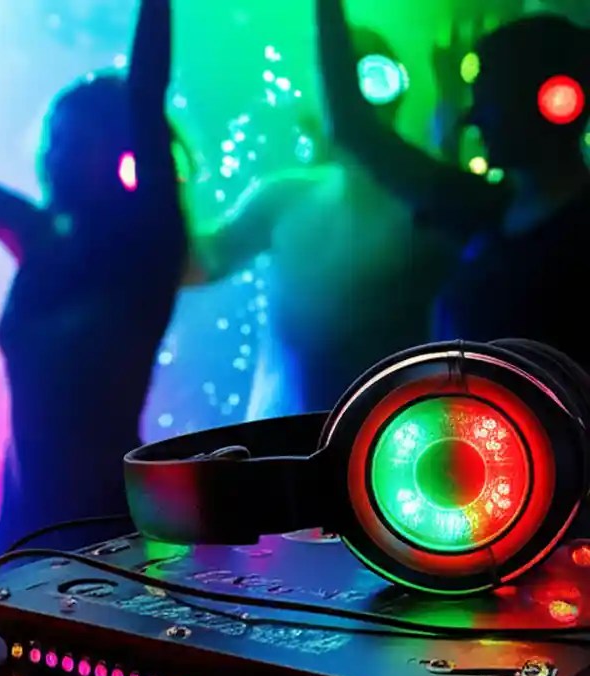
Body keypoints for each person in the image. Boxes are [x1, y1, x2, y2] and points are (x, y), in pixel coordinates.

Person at [0, 0, 189, 587]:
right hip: (20, 524)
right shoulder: (40, 238)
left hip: (101, 535)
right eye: (54, 140)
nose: (56, 156)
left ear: (123, 150)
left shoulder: (148, 246)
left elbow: (145, 95)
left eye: (77, 142)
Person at [191, 29, 456, 420]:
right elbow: (197, 263)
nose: (354, 97)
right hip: (289, 446)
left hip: (372, 443)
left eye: (373, 75)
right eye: (340, 78)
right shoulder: (282, 198)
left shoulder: (434, 208)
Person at [317, 0, 590, 369]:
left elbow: (355, 129)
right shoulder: (487, 212)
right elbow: (354, 128)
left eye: (490, 98)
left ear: (551, 99)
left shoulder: (497, 216)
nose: (471, 118)